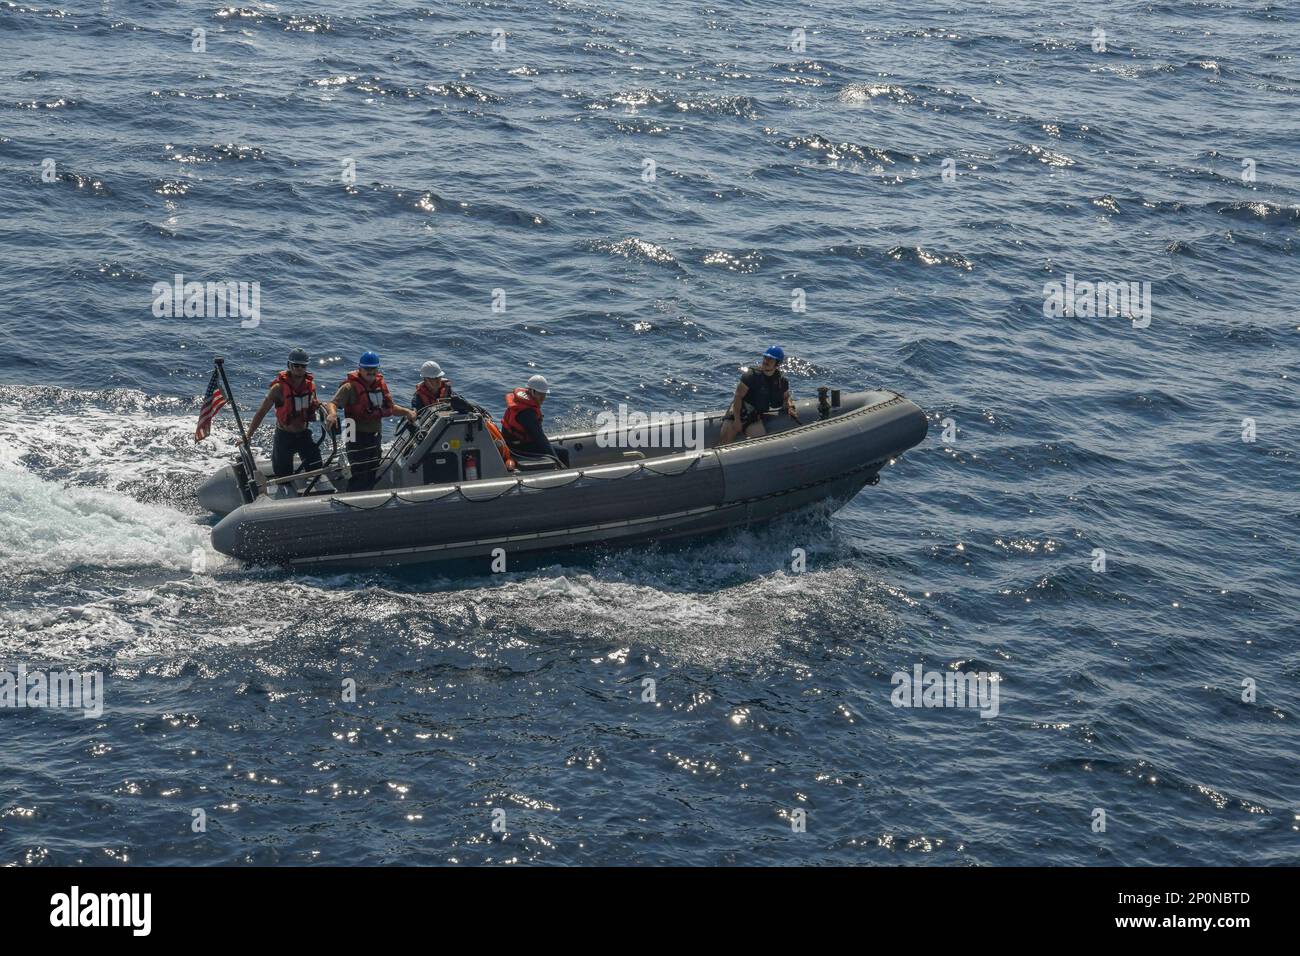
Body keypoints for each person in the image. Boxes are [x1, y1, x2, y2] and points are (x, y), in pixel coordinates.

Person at [324, 351, 417, 492]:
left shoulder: (379, 386)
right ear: (360, 369)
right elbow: (333, 403)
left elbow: (390, 408)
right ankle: (353, 501)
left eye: (374, 369)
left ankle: (366, 499)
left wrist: (407, 412)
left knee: (372, 471)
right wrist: (331, 413)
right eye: (367, 369)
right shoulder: (349, 387)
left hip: (374, 436)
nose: (371, 372)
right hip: (355, 435)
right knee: (359, 473)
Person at [244, 348, 324, 479]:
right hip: (284, 437)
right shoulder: (278, 388)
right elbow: (262, 411)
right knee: (282, 474)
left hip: (304, 435)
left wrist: (324, 408)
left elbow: (313, 403)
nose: (299, 368)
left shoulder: (310, 385)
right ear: (289, 366)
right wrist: (249, 434)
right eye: (296, 365)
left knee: (316, 467)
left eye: (303, 366)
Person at [718, 345, 799, 444]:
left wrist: (790, 407)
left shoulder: (781, 381)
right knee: (724, 441)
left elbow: (786, 396)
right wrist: (737, 420)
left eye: (770, 359)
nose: (766, 361)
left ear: (777, 364)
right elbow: (738, 397)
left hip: (754, 416)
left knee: (761, 444)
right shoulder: (751, 376)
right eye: (765, 357)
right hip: (737, 413)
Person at [500, 374, 570, 468]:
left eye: (544, 395)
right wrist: (557, 462)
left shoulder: (520, 404)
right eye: (540, 395)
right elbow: (540, 440)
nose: (542, 399)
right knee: (563, 452)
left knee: (555, 449)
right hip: (518, 449)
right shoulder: (527, 414)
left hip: (513, 444)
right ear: (532, 391)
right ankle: (564, 476)